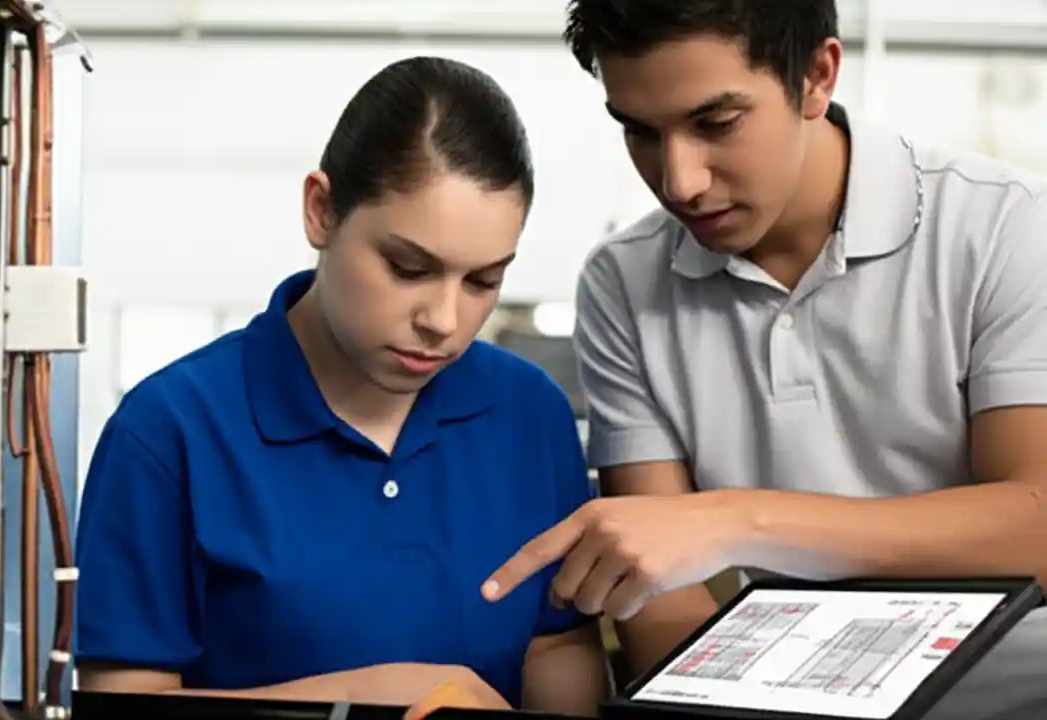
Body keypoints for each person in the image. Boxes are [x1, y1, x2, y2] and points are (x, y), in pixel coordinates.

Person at [481, 2, 1047, 719]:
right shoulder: (624, 284)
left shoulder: (1007, 227)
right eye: (640, 131)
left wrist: (740, 521)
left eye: (716, 123)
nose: (679, 179)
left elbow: (1038, 524)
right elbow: (656, 595)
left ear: (817, 76)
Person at [74, 56, 609, 717]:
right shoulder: (169, 432)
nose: (444, 322)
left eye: (483, 281)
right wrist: (359, 699)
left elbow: (556, 645)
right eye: (408, 268)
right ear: (321, 211)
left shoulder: (531, 417)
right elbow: (121, 699)